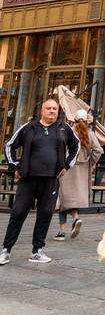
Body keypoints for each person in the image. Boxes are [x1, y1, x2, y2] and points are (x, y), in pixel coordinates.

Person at [1, 98, 80, 266]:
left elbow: (76, 146)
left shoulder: (63, 129)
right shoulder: (29, 127)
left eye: (55, 109)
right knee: (18, 213)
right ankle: (6, 250)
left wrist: (67, 165)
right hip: (28, 179)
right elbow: (9, 146)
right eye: (49, 108)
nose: (52, 111)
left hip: (51, 180)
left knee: (44, 215)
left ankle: (37, 251)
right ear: (42, 111)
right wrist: (14, 165)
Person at [55, 110, 103, 240]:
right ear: (87, 121)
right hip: (82, 169)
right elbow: (98, 150)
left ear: (74, 120)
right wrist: (90, 162)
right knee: (74, 198)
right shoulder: (90, 133)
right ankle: (76, 218)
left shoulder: (68, 131)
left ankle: (61, 231)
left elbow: (60, 148)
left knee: (64, 199)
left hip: (67, 168)